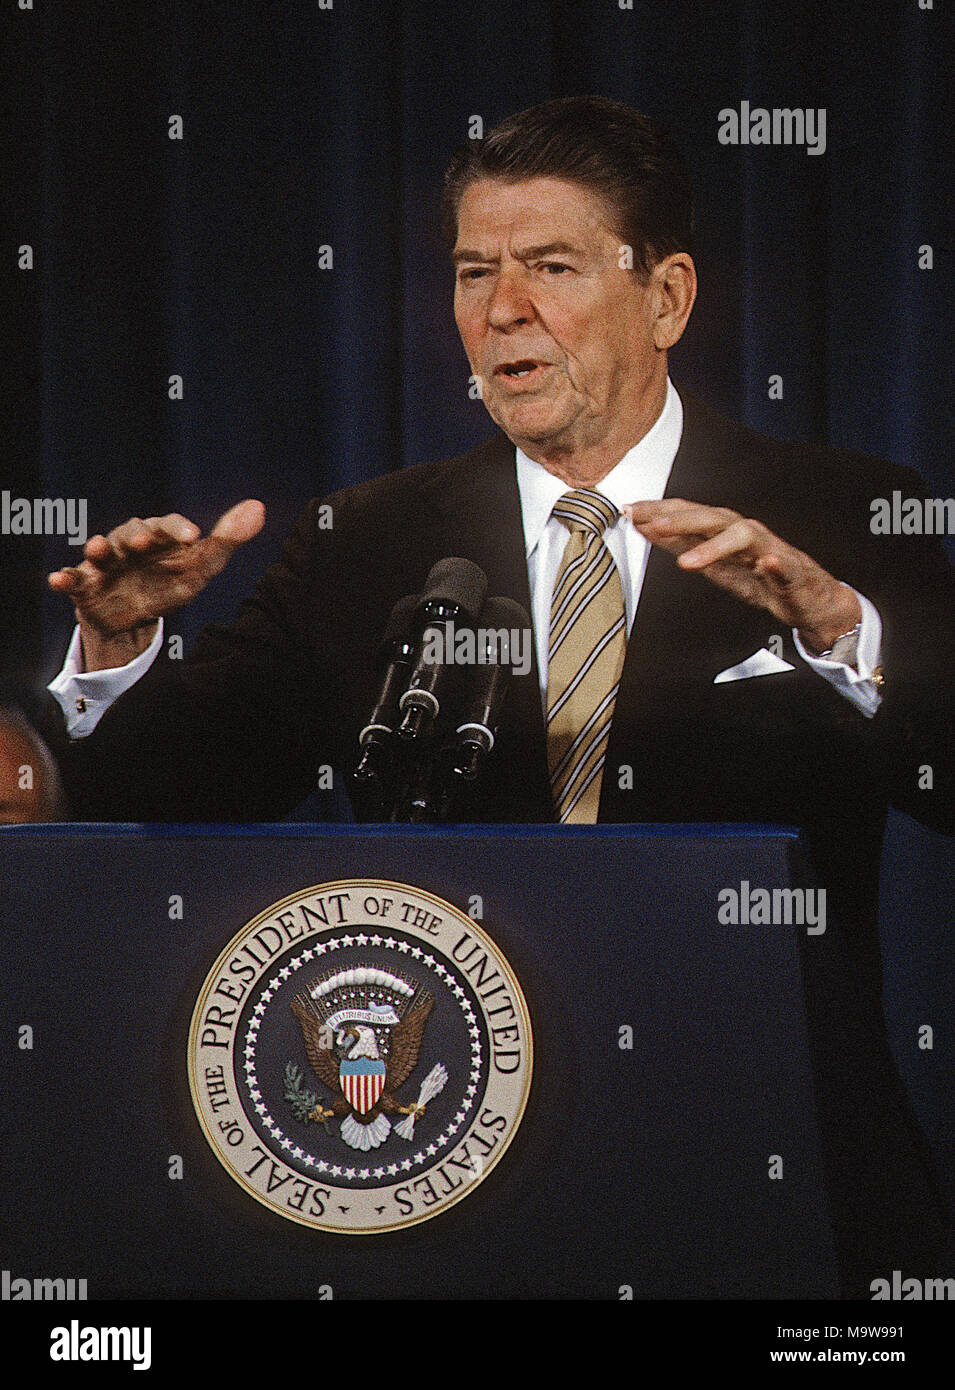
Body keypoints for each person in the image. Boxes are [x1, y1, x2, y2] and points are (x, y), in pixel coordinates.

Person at [38, 92, 954, 1294]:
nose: (502, 309)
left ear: (666, 296)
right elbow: (190, 779)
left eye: (551, 266)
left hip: (772, 1149)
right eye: (474, 272)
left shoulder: (841, 515)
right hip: (456, 1155)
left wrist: (840, 632)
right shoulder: (366, 537)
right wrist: (116, 647)